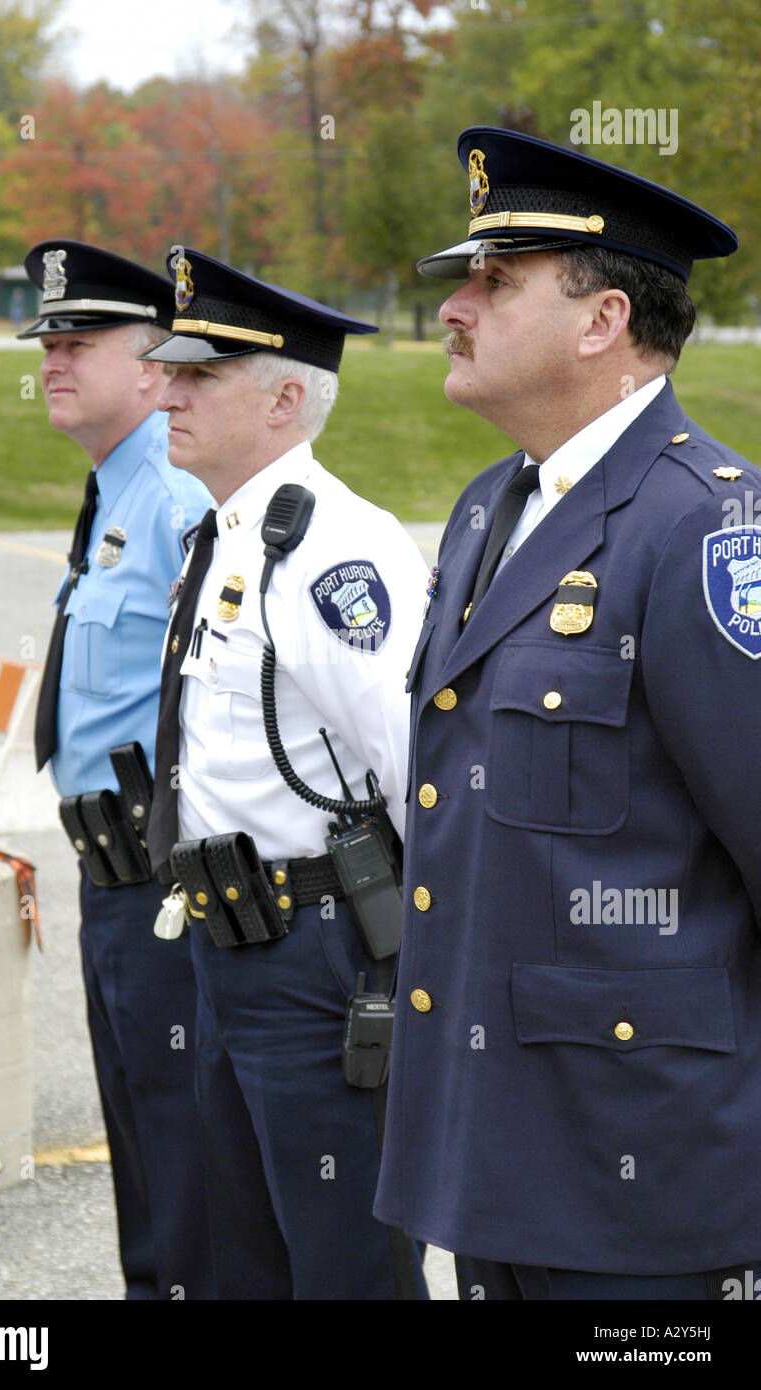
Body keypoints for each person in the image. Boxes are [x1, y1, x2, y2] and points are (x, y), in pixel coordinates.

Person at [373, 126, 761, 1301]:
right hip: (496, 1156)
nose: (456, 307)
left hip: (647, 1188)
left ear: (601, 322)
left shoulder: (704, 531)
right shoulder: (494, 506)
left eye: (496, 281)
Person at [143, 248, 430, 1299]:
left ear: (287, 399)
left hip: (319, 958)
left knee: (346, 1261)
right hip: (229, 944)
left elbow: (419, 776)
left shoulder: (333, 553)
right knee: (247, 1257)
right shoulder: (225, 534)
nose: (165, 388)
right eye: (172, 367)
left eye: (199, 374)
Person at [21, 239, 214, 1300]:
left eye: (79, 339)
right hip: (110, 874)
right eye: (48, 338)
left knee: (184, 1167)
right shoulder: (117, 490)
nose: (53, 356)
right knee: (144, 1153)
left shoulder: (178, 496)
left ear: (151, 367)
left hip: (164, 880)